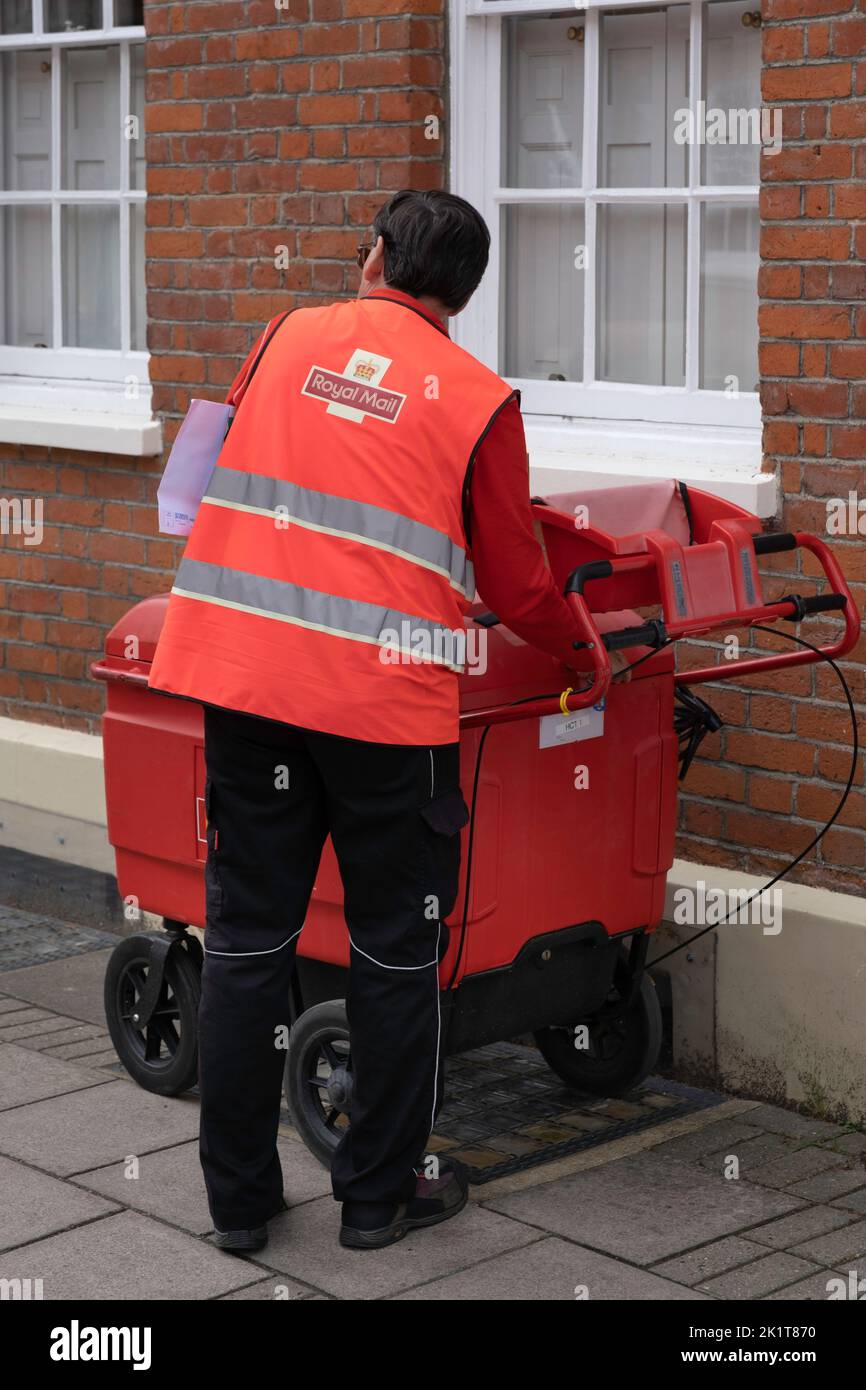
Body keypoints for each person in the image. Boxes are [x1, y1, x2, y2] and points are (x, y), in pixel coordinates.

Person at [148, 189, 612, 1253]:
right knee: (393, 952)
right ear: (460, 293)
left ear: (374, 258)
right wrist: (578, 652)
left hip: (245, 683)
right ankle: (375, 1197)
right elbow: (518, 579)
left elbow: (209, 473)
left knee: (248, 940)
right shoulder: (479, 401)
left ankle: (240, 1206)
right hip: (381, 713)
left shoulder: (281, 336)